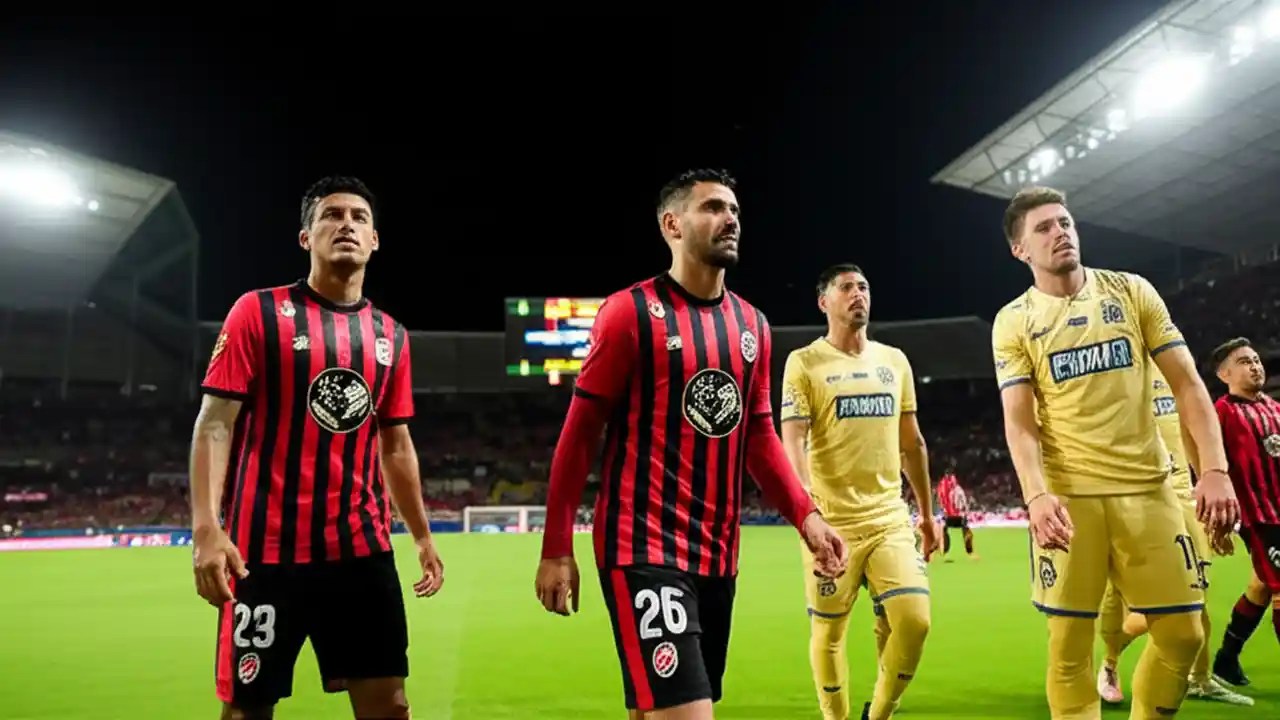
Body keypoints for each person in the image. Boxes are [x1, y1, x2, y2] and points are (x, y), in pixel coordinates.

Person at [533, 168, 848, 720]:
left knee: (657, 709)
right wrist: (557, 547)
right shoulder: (628, 315)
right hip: (642, 547)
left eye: (734, 210)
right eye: (712, 208)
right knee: (687, 712)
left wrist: (808, 516)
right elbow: (580, 435)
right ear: (672, 225)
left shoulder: (753, 325)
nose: (730, 219)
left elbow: (757, 436)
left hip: (718, 555)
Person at [190, 176, 444, 720]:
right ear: (306, 236)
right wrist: (207, 527)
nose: (347, 224)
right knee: (247, 708)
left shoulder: (391, 335)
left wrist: (422, 535)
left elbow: (395, 445)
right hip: (262, 556)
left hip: (360, 554)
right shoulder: (256, 313)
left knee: (390, 704)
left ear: (376, 240)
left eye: (359, 217)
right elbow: (214, 424)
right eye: (331, 215)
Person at [990, 186, 1238, 720]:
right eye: (1044, 228)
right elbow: (1020, 421)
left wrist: (1214, 467)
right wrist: (1035, 494)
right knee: (1069, 647)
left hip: (1148, 488)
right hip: (1071, 498)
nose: (1060, 232)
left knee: (1183, 633)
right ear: (1020, 250)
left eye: (1065, 222)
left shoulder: (1130, 292)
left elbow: (1189, 385)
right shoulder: (1013, 321)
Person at [779, 263, 939, 720]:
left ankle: (881, 713)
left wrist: (927, 514)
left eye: (864, 286)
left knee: (915, 620)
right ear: (823, 302)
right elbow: (793, 438)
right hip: (833, 523)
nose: (858, 294)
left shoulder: (894, 361)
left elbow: (913, 443)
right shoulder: (804, 363)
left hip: (889, 517)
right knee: (830, 633)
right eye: (846, 287)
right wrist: (809, 510)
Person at [1095, 366, 1252, 706]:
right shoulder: (1110, 367)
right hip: (1133, 495)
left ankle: (1200, 678)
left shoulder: (1171, 369)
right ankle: (1109, 664)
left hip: (1182, 499)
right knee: (1121, 595)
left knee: (1197, 598)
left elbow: (1191, 430)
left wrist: (1208, 483)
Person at [1198, 337, 1280, 677]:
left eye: (1257, 359)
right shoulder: (1221, 413)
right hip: (1261, 518)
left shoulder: (1275, 409)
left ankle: (1226, 659)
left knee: (1262, 585)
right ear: (1225, 373)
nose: (1256, 366)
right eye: (1245, 361)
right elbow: (1208, 461)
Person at [934, 468, 976, 561]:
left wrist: (943, 509)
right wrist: (965, 511)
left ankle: (943, 552)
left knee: (943, 531)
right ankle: (970, 552)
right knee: (966, 530)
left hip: (947, 514)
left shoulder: (941, 485)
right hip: (958, 514)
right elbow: (962, 500)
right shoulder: (956, 487)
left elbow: (940, 499)